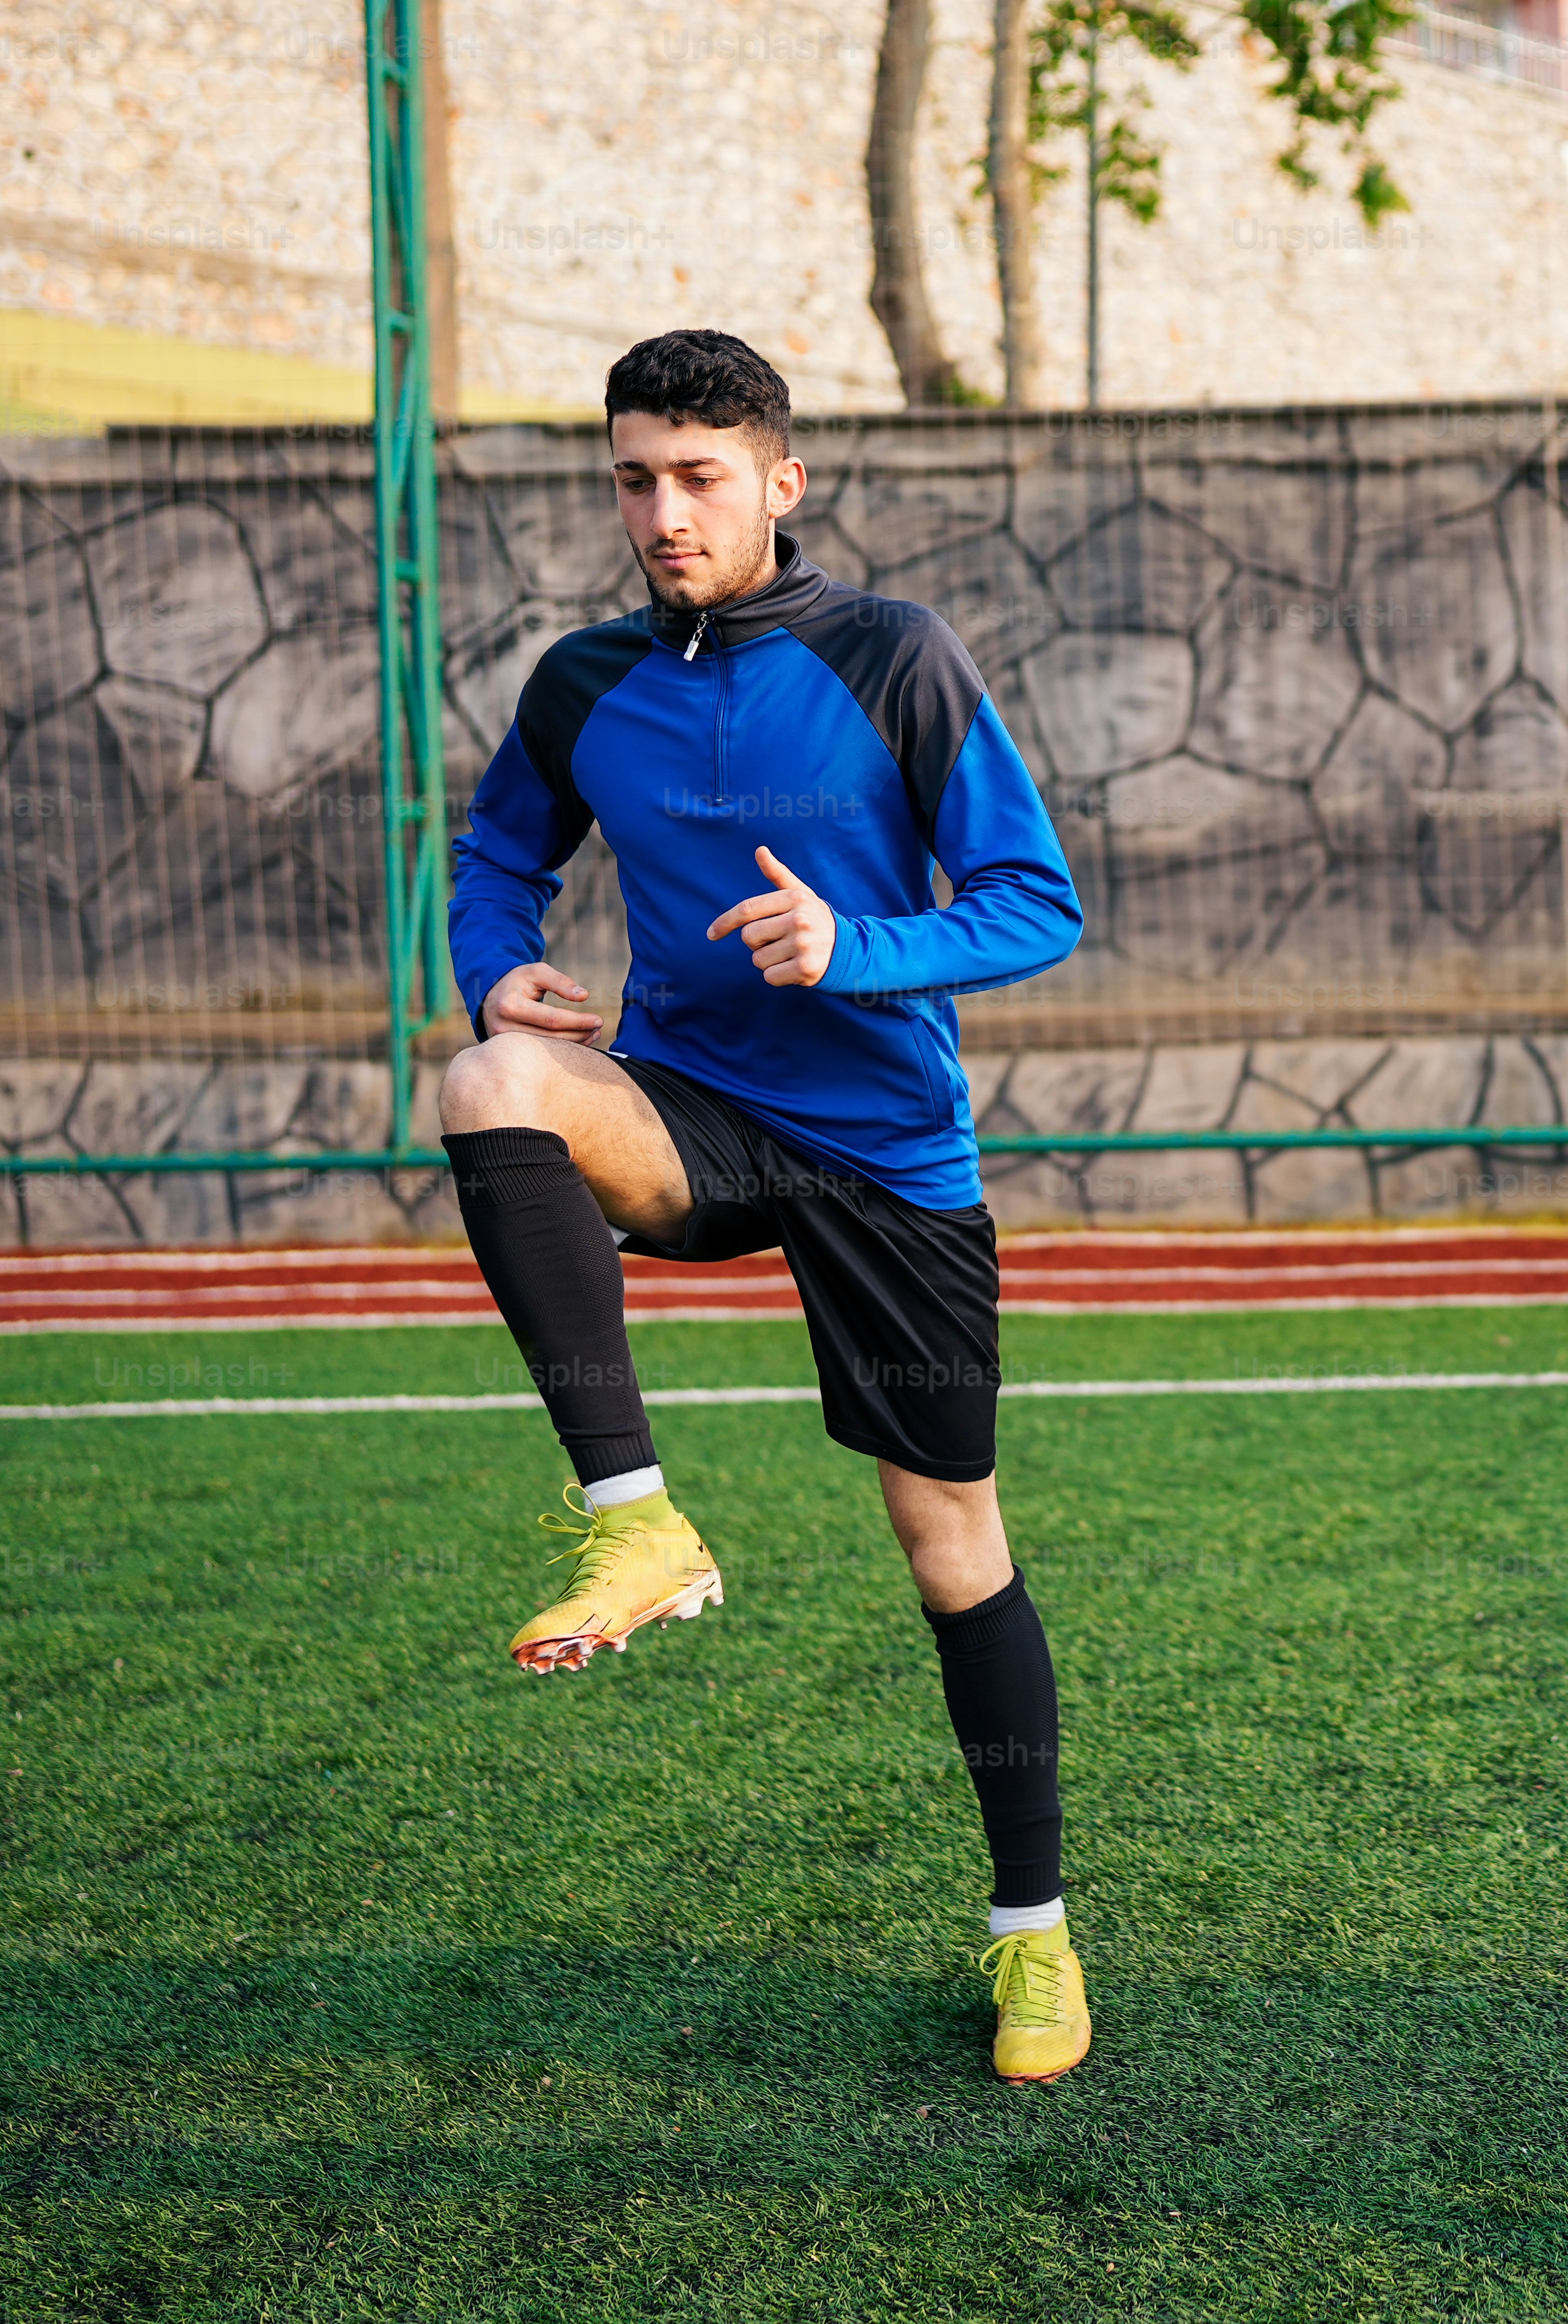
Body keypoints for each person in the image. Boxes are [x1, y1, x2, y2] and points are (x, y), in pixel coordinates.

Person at [441, 329, 1094, 2084]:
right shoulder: (585, 682)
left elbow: (1037, 901)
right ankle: (637, 1520)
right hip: (698, 1116)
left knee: (954, 1553)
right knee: (491, 1083)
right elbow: (500, 852)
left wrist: (853, 945)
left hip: (887, 1153)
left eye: (700, 478)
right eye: (636, 481)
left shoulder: (894, 655)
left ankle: (1035, 1937)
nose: (665, 513)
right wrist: (497, 964)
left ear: (781, 484)